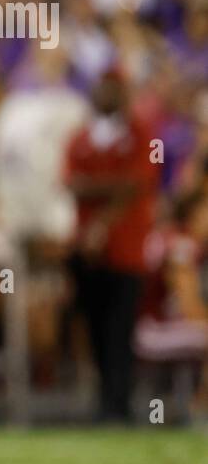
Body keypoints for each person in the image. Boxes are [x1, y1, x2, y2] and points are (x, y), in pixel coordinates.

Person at [65, 66, 159, 423]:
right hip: (89, 252)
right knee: (94, 327)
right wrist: (110, 186)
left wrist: (99, 211)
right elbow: (71, 182)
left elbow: (138, 184)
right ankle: (104, 402)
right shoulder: (82, 137)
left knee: (121, 329)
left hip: (126, 249)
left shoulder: (142, 135)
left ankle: (120, 404)